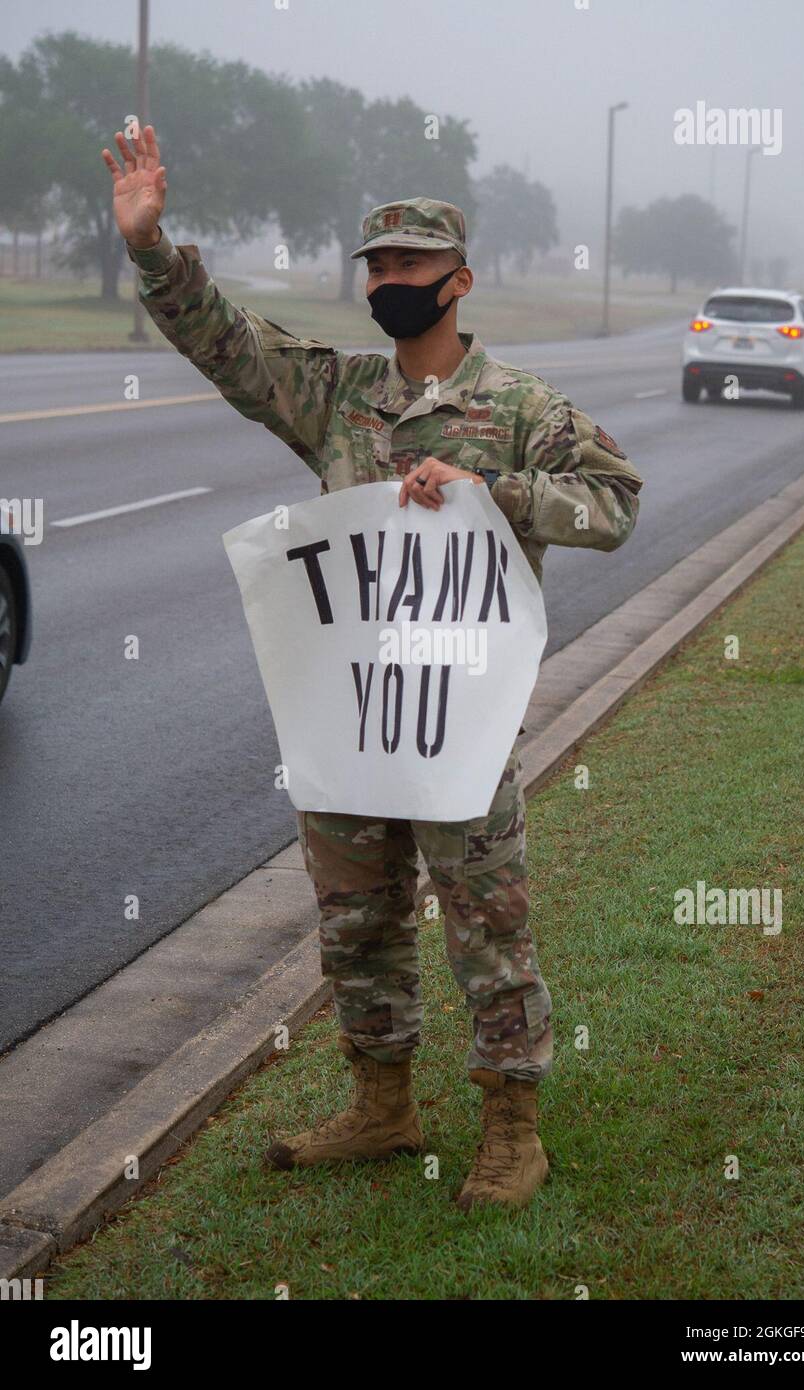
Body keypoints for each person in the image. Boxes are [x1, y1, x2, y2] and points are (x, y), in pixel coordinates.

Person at [102, 124, 643, 1211]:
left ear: (458, 281)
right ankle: (381, 1101)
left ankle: (510, 1126)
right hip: (350, 716)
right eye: (377, 267)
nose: (389, 281)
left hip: (458, 720)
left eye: (408, 266)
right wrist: (154, 248)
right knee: (355, 917)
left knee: (484, 917)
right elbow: (228, 345)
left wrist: (499, 494)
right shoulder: (339, 395)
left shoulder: (523, 408)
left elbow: (615, 505)